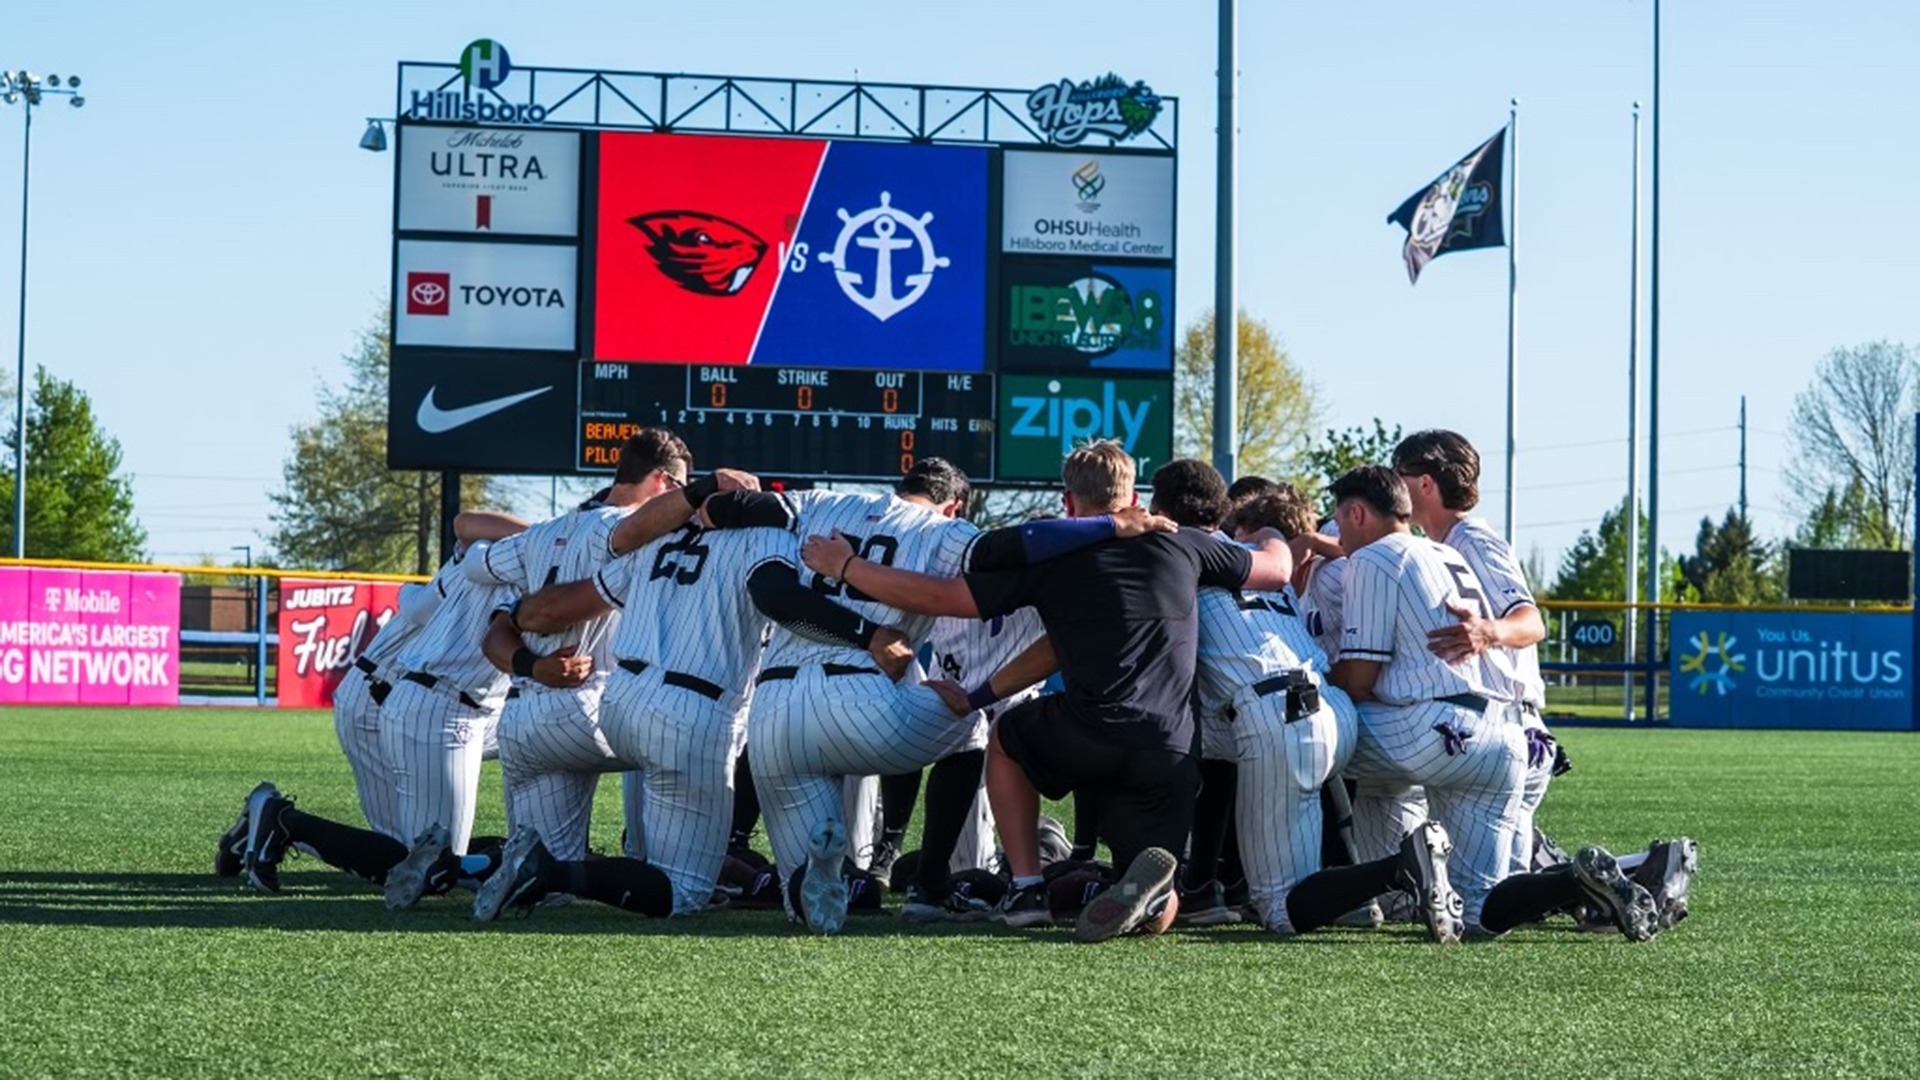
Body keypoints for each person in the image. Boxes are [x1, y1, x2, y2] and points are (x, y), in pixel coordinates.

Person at [799, 442, 1292, 943]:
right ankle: (1150, 898)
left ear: (1068, 502)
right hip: (1169, 746)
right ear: (1134, 495)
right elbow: (1275, 571)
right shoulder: (1184, 544)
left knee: (1007, 737)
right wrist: (1273, 532)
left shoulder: (1056, 555)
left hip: (1086, 729)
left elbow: (944, 598)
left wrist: (847, 568)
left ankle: (1028, 888)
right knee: (1159, 899)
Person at [719, 457, 1170, 934]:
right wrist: (1111, 524)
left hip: (770, 714)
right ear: (955, 505)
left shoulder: (820, 502)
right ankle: (929, 885)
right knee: (970, 725)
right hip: (860, 699)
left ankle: (814, 876)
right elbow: (1011, 544)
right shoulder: (943, 530)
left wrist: (710, 492)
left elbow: (736, 513)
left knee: (805, 889)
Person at [466, 465, 915, 923]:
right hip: (692, 711)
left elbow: (563, 605)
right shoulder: (768, 534)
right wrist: (868, 633)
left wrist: (518, 618)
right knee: (682, 890)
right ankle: (554, 872)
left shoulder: (659, 536)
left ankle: (526, 866)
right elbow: (774, 596)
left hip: (620, 702)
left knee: (651, 850)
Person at [1323, 466, 1662, 941]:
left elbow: (1359, 678)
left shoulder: (1376, 556)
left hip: (1432, 729)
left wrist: (1310, 679)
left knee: (1306, 739)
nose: (1338, 532)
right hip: (1504, 739)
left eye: (1339, 519)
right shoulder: (1447, 552)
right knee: (1480, 912)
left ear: (1356, 512)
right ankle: (1572, 885)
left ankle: (1289, 888)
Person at [382, 430, 692, 911]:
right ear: (662, 482)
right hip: (587, 709)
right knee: (687, 740)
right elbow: (632, 529)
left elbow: (489, 618)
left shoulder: (543, 535)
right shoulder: (630, 526)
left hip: (522, 721)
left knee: (550, 886)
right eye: (678, 488)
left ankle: (488, 867)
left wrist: (534, 664)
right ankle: (675, 867)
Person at [225, 511, 527, 896]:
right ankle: (284, 824)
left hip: (395, 690)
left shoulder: (488, 561)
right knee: (416, 862)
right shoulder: (502, 557)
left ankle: (261, 821)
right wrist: (545, 534)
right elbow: (463, 526)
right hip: (387, 696)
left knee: (422, 850)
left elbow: (416, 601)